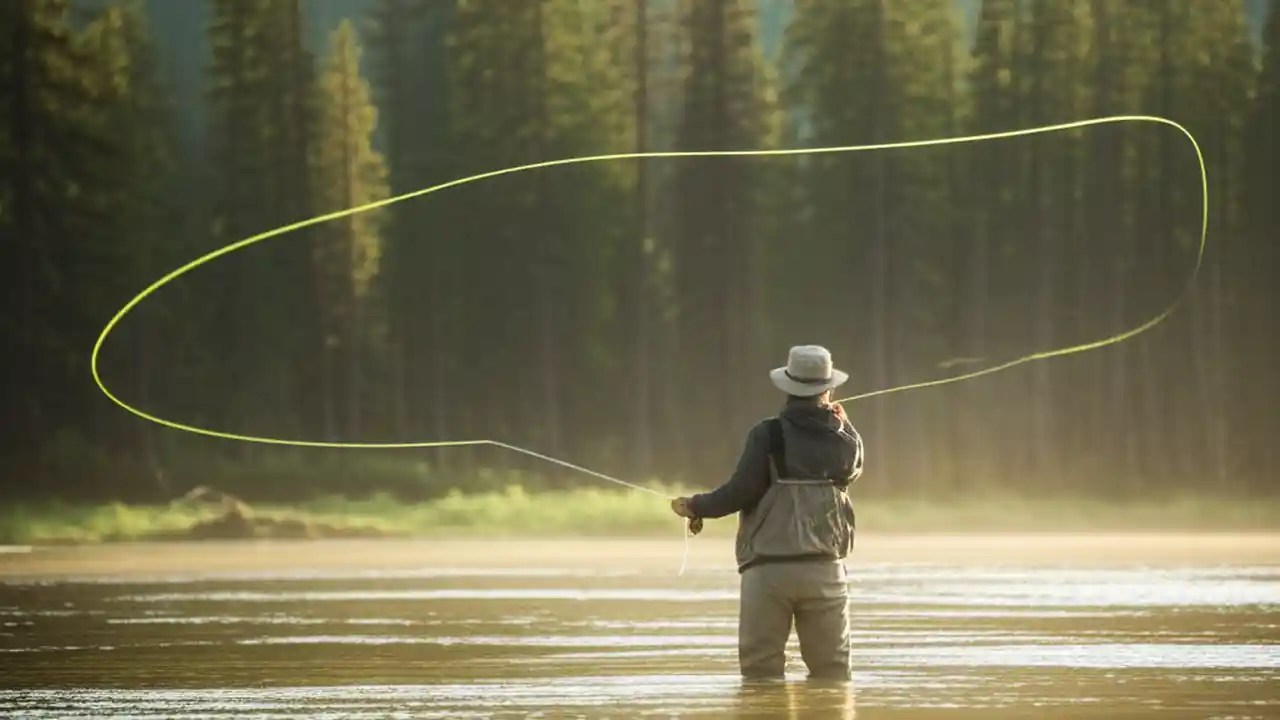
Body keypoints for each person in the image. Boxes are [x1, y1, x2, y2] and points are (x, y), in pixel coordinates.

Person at [671, 345, 864, 680]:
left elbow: (739, 492)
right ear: (828, 387)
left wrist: (696, 506)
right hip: (825, 570)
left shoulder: (767, 434)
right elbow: (852, 473)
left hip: (768, 572)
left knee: (761, 676)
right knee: (833, 675)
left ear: (788, 386)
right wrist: (844, 426)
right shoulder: (846, 439)